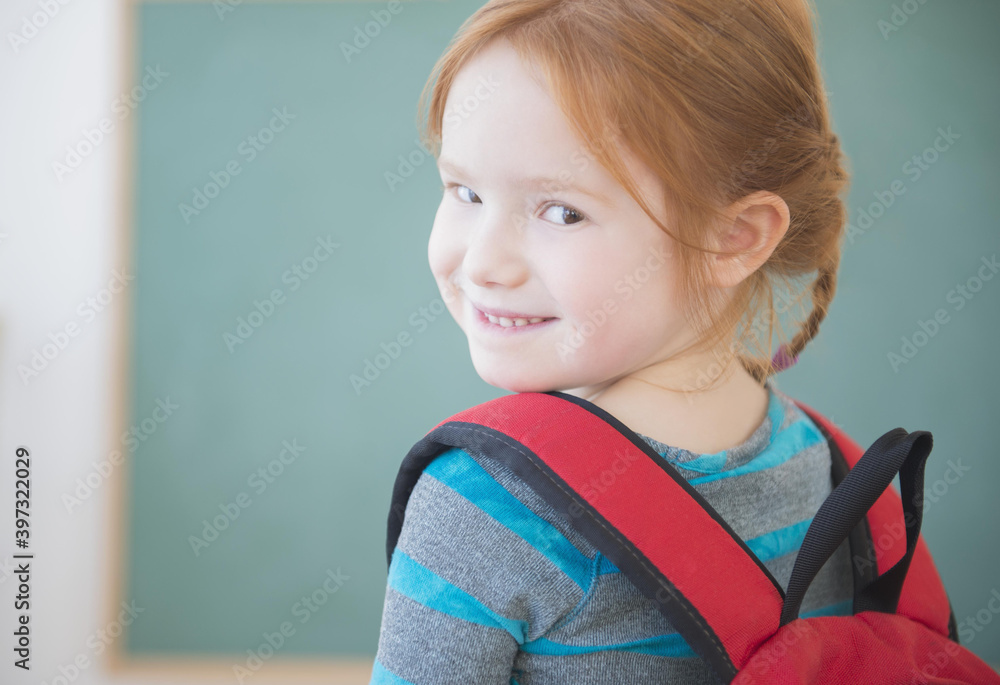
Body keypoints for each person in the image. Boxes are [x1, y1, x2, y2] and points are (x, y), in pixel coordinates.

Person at [371, 0, 852, 682]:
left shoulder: (487, 505)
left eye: (562, 211)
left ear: (734, 236)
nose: (482, 262)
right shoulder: (832, 473)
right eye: (464, 191)